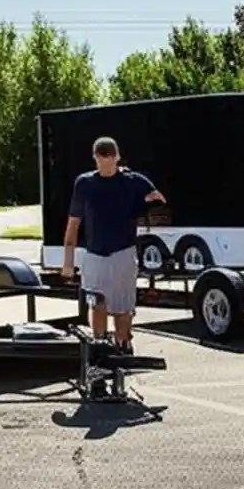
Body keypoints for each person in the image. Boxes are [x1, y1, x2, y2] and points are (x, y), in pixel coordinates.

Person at [61, 136, 165, 353]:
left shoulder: (133, 181)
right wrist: (68, 262)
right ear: (95, 159)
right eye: (101, 160)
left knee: (122, 307)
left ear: (117, 158)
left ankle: (123, 342)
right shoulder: (85, 184)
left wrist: (145, 206)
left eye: (110, 159)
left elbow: (160, 203)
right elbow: (73, 223)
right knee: (97, 302)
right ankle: (99, 344)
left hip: (123, 252)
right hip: (95, 254)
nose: (106, 165)